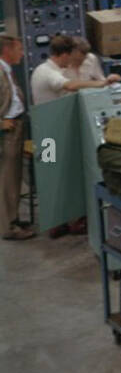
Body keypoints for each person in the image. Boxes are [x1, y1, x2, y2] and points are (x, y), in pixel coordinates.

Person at [0, 36, 33, 240]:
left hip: (16, 126)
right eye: (19, 49)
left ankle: (13, 218)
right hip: (7, 130)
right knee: (7, 180)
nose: (22, 53)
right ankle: (8, 227)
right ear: (7, 50)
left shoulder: (7, 70)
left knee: (14, 180)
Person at [29, 33, 120, 106]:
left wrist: (105, 82)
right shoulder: (48, 72)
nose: (70, 63)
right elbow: (70, 85)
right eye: (71, 58)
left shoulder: (44, 69)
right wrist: (102, 83)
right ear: (65, 56)